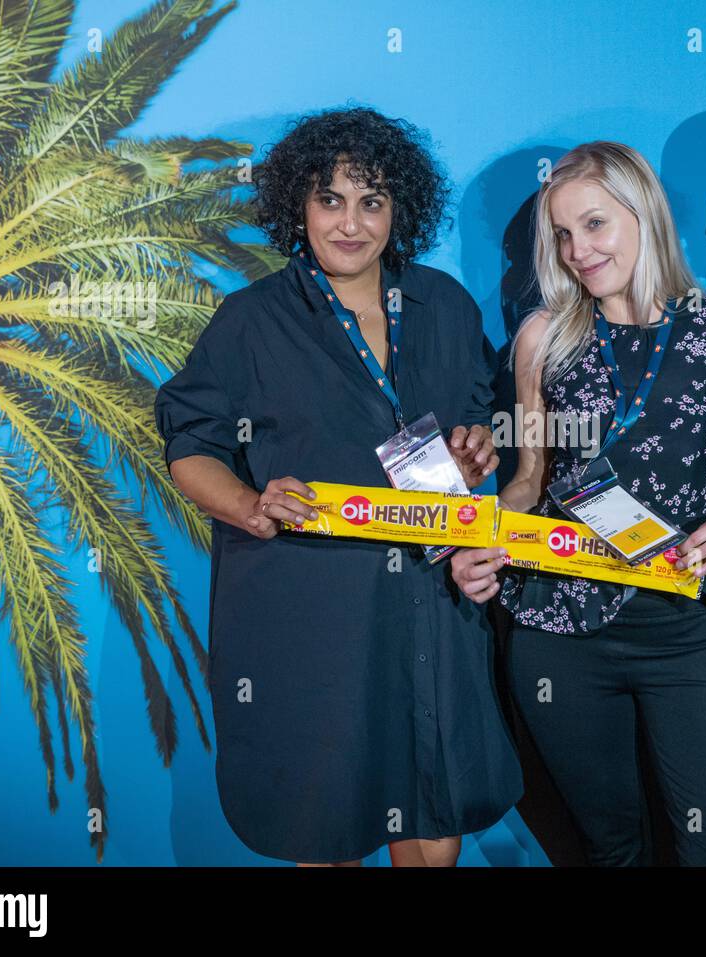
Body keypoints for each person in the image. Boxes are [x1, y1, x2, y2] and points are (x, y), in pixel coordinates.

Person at [154, 107, 522, 866]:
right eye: (330, 199)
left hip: (431, 602)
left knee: (431, 801)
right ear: (298, 205)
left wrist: (479, 447)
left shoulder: (444, 305)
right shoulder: (250, 321)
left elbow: (480, 419)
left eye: (372, 200)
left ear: (399, 210)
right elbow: (190, 446)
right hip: (311, 612)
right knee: (326, 815)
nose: (351, 223)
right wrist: (251, 506)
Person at [451, 142, 706, 866]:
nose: (578, 250)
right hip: (563, 628)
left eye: (594, 224)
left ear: (644, 213)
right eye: (562, 235)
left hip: (691, 623)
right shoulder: (543, 339)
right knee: (609, 850)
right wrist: (486, 535)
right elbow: (532, 478)